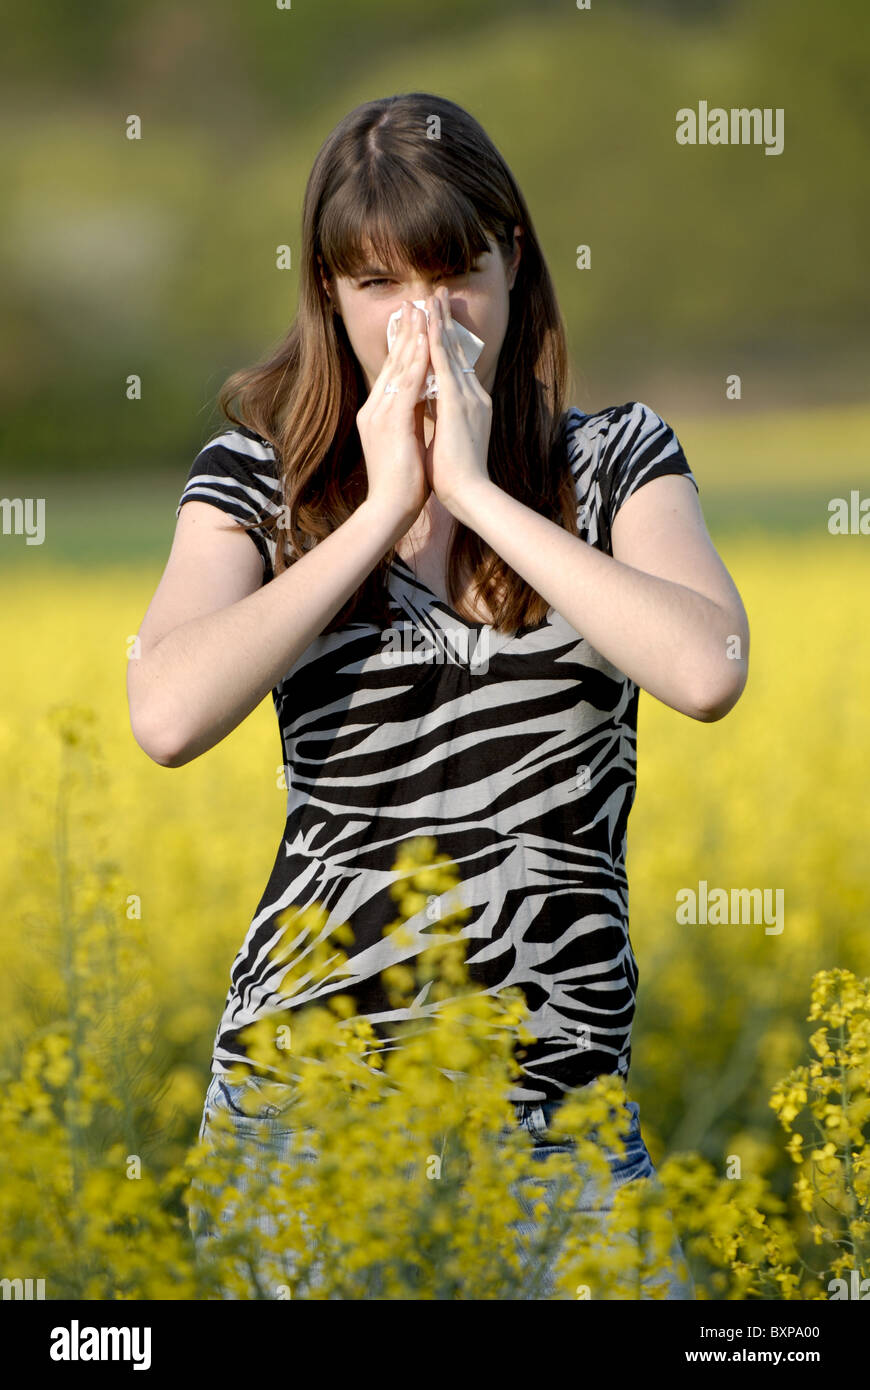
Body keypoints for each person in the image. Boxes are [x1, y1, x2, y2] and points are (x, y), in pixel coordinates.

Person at [127, 92, 749, 1299]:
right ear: (327, 299)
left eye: (455, 274)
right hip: (307, 1108)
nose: (426, 321)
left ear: (514, 261)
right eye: (379, 288)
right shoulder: (260, 480)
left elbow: (706, 668)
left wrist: (474, 490)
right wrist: (374, 510)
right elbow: (166, 712)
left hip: (556, 1111)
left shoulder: (617, 461)